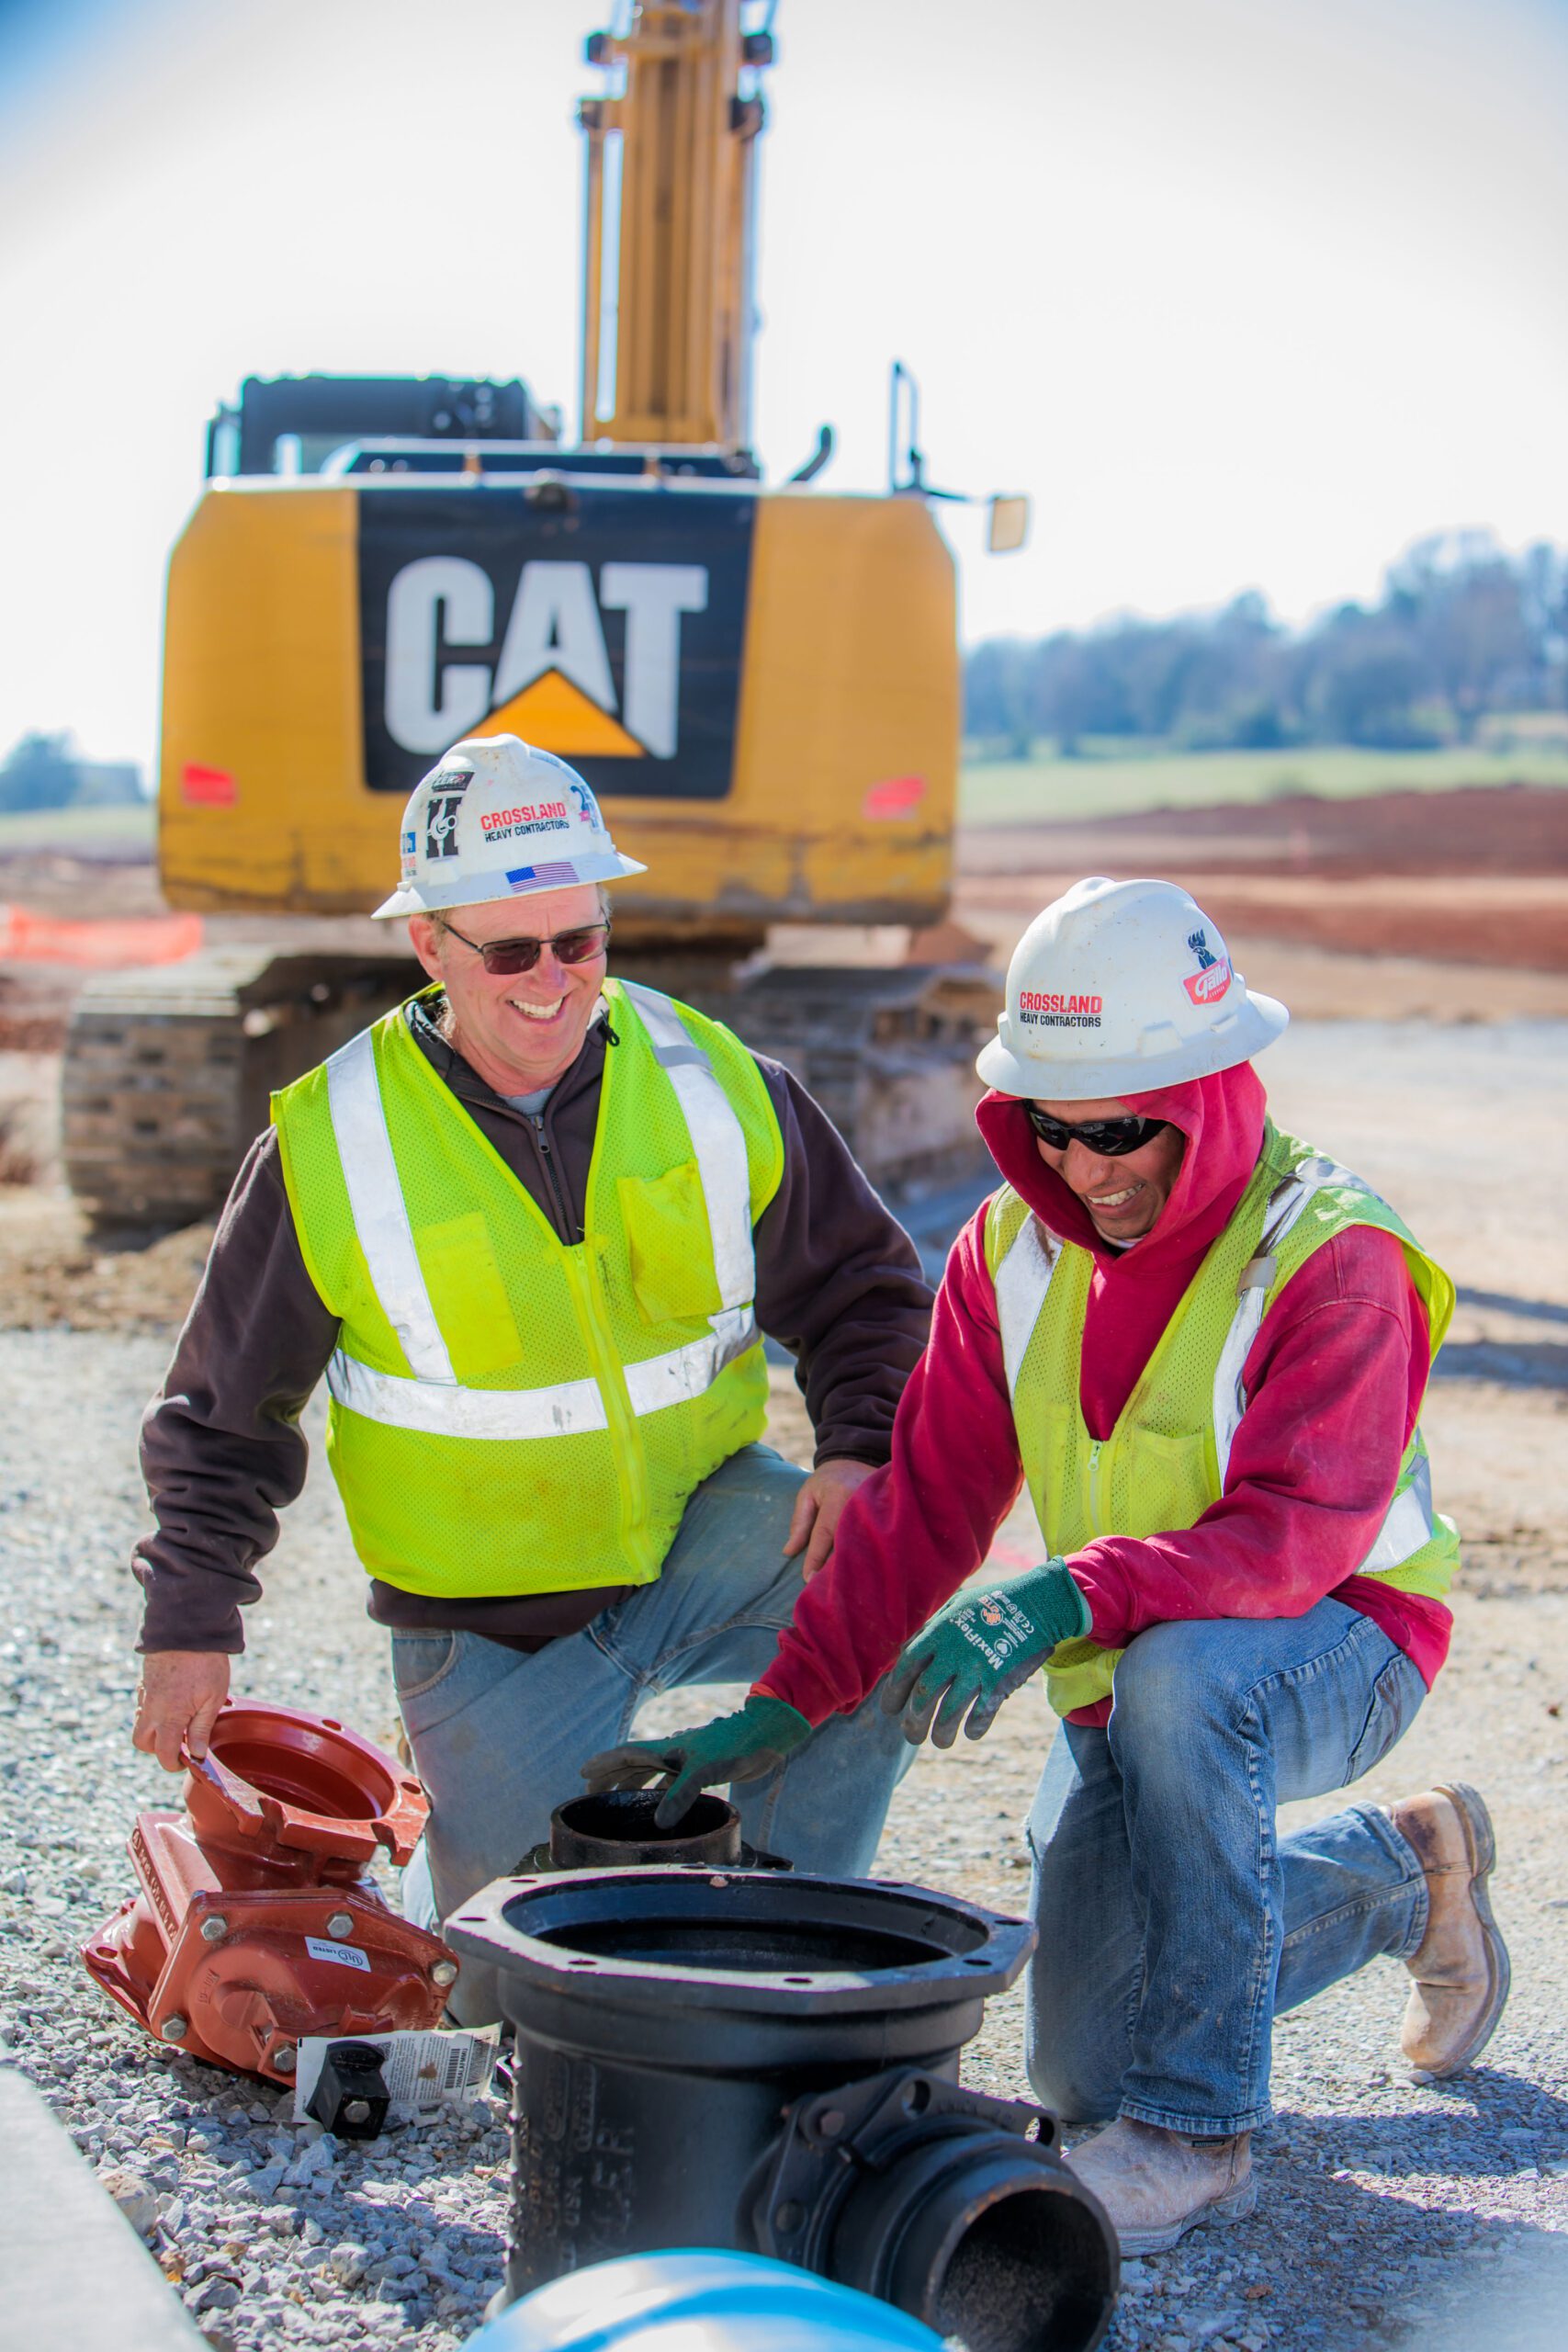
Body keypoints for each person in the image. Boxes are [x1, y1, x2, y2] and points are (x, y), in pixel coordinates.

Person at [585, 874, 1509, 2254]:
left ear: (1208, 1087)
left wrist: (1068, 1594)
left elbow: (1295, 1537)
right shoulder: (1014, 1247)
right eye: (1051, 1133)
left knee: (1188, 1684)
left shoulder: (1332, 1252)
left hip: (1335, 1638)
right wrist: (789, 1696)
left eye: (1125, 1131)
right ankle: (1400, 1874)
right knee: (1086, 2069)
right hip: (1132, 1656)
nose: (1088, 1170)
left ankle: (1200, 2138)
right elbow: (930, 1497)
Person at [130, 734, 927, 2022]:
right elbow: (227, 1416)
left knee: (885, 1591)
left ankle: (780, 1970)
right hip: (485, 1631)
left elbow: (869, 1291)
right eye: (509, 950)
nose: (551, 981)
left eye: (580, 941)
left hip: (699, 1534)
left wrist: (860, 1449)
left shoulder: (712, 1082)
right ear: (431, 949)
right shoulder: (334, 1145)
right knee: (510, 2009)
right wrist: (189, 1624)